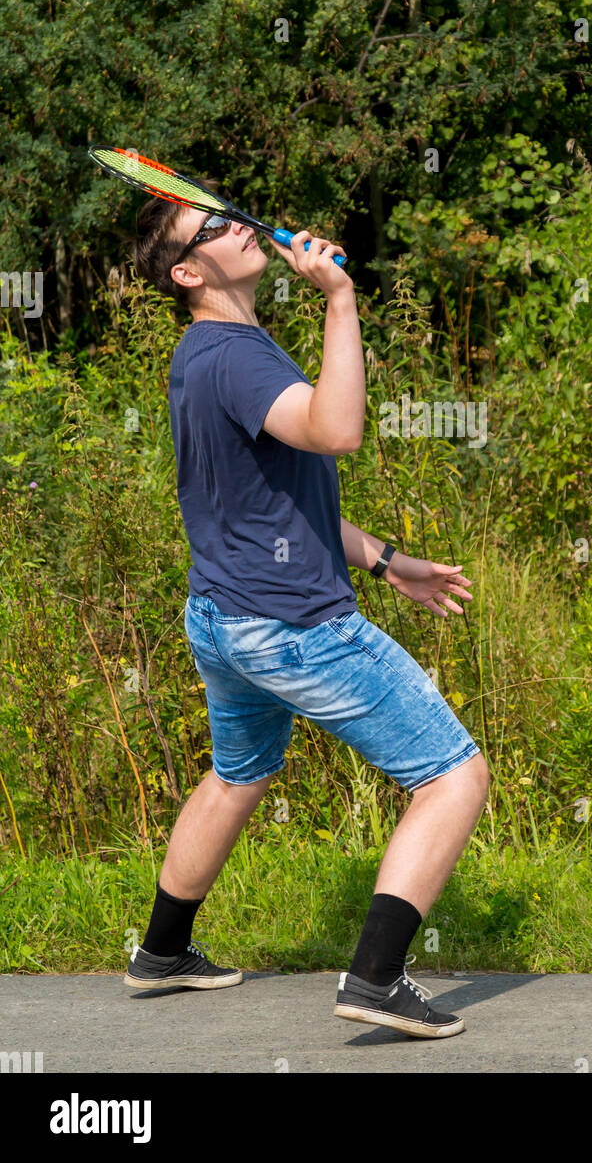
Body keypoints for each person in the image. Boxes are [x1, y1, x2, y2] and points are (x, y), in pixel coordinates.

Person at [121, 198, 489, 1039]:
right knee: (452, 776)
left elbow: (269, 500)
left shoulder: (208, 353)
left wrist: (385, 560)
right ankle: (376, 978)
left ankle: (163, 953)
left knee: (237, 774)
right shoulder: (235, 356)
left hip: (220, 620)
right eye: (210, 231)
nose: (235, 225)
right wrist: (341, 301)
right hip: (294, 628)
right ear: (187, 273)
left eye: (225, 215)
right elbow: (338, 429)